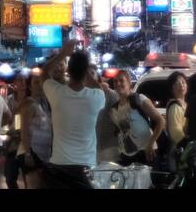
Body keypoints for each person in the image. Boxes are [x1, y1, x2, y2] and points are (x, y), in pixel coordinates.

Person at [38, 39, 110, 188]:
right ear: (85, 72)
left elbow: (44, 73)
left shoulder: (57, 93)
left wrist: (63, 53)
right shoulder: (96, 97)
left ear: (67, 71)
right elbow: (98, 86)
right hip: (86, 168)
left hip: (59, 167)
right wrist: (85, 68)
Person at [108, 70, 165, 166]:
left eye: (121, 80)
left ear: (129, 83)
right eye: (115, 81)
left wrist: (150, 144)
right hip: (126, 155)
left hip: (146, 152)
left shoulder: (140, 99)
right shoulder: (114, 109)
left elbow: (161, 121)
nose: (118, 83)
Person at [166, 71, 190, 149]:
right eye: (177, 83)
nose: (181, 85)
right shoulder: (175, 107)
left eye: (183, 82)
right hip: (179, 150)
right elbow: (176, 133)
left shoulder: (186, 104)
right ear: (171, 88)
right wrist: (189, 146)